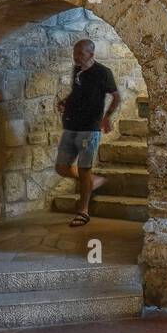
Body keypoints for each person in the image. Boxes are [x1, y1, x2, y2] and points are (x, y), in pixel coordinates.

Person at [54, 39, 121, 227]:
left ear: (91, 54)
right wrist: (66, 101)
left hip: (89, 128)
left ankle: (83, 211)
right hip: (71, 125)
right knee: (61, 167)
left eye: (80, 54)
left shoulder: (103, 73)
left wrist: (106, 117)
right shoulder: (77, 70)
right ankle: (94, 180)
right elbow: (77, 92)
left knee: (84, 169)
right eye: (75, 53)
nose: (76, 57)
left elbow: (116, 97)